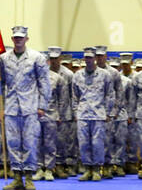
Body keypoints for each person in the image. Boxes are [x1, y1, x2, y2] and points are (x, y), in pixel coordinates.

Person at [0, 26, 51, 190]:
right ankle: (17, 178)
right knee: (12, 143)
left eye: (21, 37)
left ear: (27, 39)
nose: (18, 40)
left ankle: (29, 178)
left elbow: (44, 83)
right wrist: (0, 107)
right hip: (11, 107)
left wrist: (42, 106)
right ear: (12, 39)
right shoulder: (3, 59)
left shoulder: (36, 58)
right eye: (15, 37)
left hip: (30, 107)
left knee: (29, 143)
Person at [73, 46, 115, 181]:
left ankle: (97, 169)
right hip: (83, 114)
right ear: (83, 59)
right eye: (86, 58)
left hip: (98, 114)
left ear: (95, 59)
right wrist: (75, 112)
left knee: (97, 143)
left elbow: (110, 95)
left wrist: (108, 112)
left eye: (91, 58)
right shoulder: (77, 75)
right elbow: (74, 96)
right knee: (84, 143)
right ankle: (87, 168)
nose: (88, 60)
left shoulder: (105, 75)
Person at [41, 46, 73, 180]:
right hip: (42, 114)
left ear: (60, 58)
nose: (54, 61)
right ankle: (41, 167)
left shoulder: (67, 74)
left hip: (60, 114)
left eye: (56, 58)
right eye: (51, 59)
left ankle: (58, 166)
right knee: (41, 142)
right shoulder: (40, 76)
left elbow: (67, 97)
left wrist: (63, 114)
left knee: (60, 141)